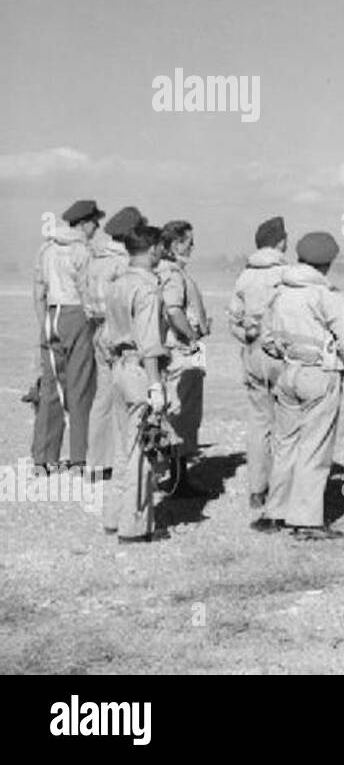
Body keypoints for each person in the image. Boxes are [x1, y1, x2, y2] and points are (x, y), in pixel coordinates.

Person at [258, 232, 344, 539]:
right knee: (314, 447)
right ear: (327, 263)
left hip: (288, 372)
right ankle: (306, 521)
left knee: (285, 444)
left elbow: (267, 339)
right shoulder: (326, 294)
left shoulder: (280, 290)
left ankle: (275, 512)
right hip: (318, 374)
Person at [101, 225, 168, 544]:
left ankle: (114, 517)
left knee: (122, 449)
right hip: (141, 371)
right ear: (153, 248)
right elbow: (150, 344)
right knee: (143, 449)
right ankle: (135, 526)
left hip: (118, 368)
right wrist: (156, 387)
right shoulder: (147, 289)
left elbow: (105, 335)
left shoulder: (116, 284)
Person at [32, 199, 103, 474]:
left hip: (51, 314)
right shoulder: (82, 250)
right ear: (84, 223)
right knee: (80, 386)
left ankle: (43, 458)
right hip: (76, 315)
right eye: (95, 222)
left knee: (51, 387)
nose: (97, 227)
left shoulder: (46, 247)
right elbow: (88, 293)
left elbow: (37, 291)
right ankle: (78, 458)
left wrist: (45, 324)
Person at [227, 216, 288, 513]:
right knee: (289, 425)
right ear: (281, 242)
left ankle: (256, 490)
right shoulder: (288, 274)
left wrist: (249, 335)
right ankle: (283, 490)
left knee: (258, 423)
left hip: (253, 354)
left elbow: (233, 323)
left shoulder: (245, 276)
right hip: (282, 355)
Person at [85, 206, 148, 474]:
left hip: (97, 330)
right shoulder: (122, 262)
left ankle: (98, 461)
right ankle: (126, 457)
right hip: (118, 333)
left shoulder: (95, 258)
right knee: (128, 396)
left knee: (102, 397)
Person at [157, 220, 211, 496]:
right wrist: (191, 336)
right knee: (182, 413)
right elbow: (173, 310)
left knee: (181, 412)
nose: (192, 246)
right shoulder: (172, 274)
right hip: (181, 351)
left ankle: (175, 475)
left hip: (180, 349)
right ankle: (178, 480)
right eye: (189, 241)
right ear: (176, 243)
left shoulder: (169, 271)